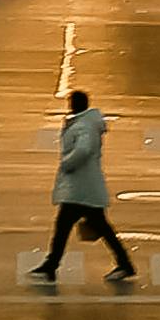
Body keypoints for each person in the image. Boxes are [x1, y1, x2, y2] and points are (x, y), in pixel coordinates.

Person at [31, 87, 137, 286]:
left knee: (66, 227)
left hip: (80, 188)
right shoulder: (86, 123)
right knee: (97, 227)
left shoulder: (83, 126)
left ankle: (51, 265)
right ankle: (123, 264)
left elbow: (83, 149)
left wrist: (67, 163)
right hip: (84, 187)